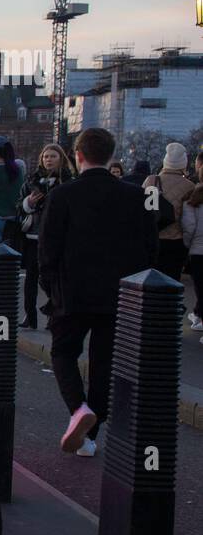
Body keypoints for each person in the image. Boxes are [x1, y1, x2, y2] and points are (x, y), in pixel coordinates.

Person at [39, 128, 157, 457]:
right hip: (119, 294)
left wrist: (51, 287)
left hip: (72, 292)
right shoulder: (136, 197)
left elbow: (47, 250)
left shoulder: (62, 195)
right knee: (103, 363)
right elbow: (151, 248)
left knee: (63, 353)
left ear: (77, 156)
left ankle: (78, 409)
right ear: (111, 156)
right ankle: (91, 436)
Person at [18, 143, 73, 329]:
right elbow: (19, 207)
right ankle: (30, 315)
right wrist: (28, 203)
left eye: (53, 156)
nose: (48, 160)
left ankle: (54, 314)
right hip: (34, 236)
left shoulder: (67, 182)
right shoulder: (32, 181)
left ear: (61, 159)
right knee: (30, 279)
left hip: (57, 238)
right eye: (46, 157)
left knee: (52, 279)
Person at [144, 142, 192, 282]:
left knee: (150, 281)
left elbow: (144, 210)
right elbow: (188, 220)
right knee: (172, 281)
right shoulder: (189, 186)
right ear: (183, 164)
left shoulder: (151, 181)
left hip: (153, 238)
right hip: (176, 242)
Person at [180, 175, 203, 337]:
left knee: (201, 287)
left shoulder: (193, 198)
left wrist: (187, 246)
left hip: (198, 249)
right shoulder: (187, 185)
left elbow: (189, 227)